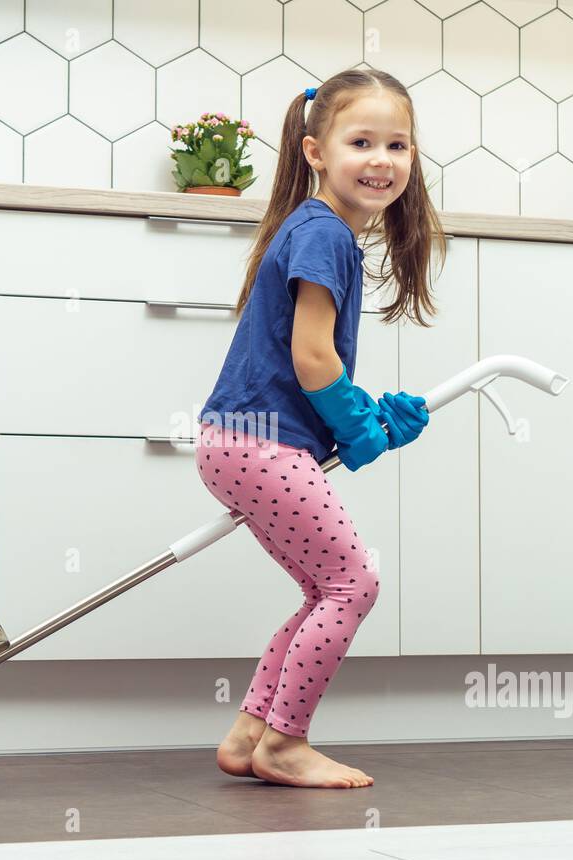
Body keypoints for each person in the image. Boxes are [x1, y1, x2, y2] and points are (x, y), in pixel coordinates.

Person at [196, 68, 447, 788]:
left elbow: (303, 365)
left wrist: (362, 423)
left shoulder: (318, 231)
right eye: (361, 141)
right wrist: (355, 420)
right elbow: (311, 359)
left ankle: (251, 735)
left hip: (241, 441)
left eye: (397, 145)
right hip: (258, 444)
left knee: (326, 588)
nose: (381, 159)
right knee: (353, 584)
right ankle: (285, 743)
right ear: (315, 153)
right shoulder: (324, 233)